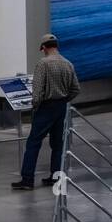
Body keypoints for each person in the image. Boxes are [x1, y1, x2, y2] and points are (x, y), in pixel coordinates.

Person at [12, 34, 81, 190]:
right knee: (57, 145)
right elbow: (76, 89)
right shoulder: (68, 64)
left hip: (45, 108)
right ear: (56, 46)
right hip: (61, 107)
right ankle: (55, 178)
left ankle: (27, 180)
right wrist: (64, 99)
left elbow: (37, 92)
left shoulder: (43, 64)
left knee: (33, 143)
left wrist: (35, 106)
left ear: (44, 47)